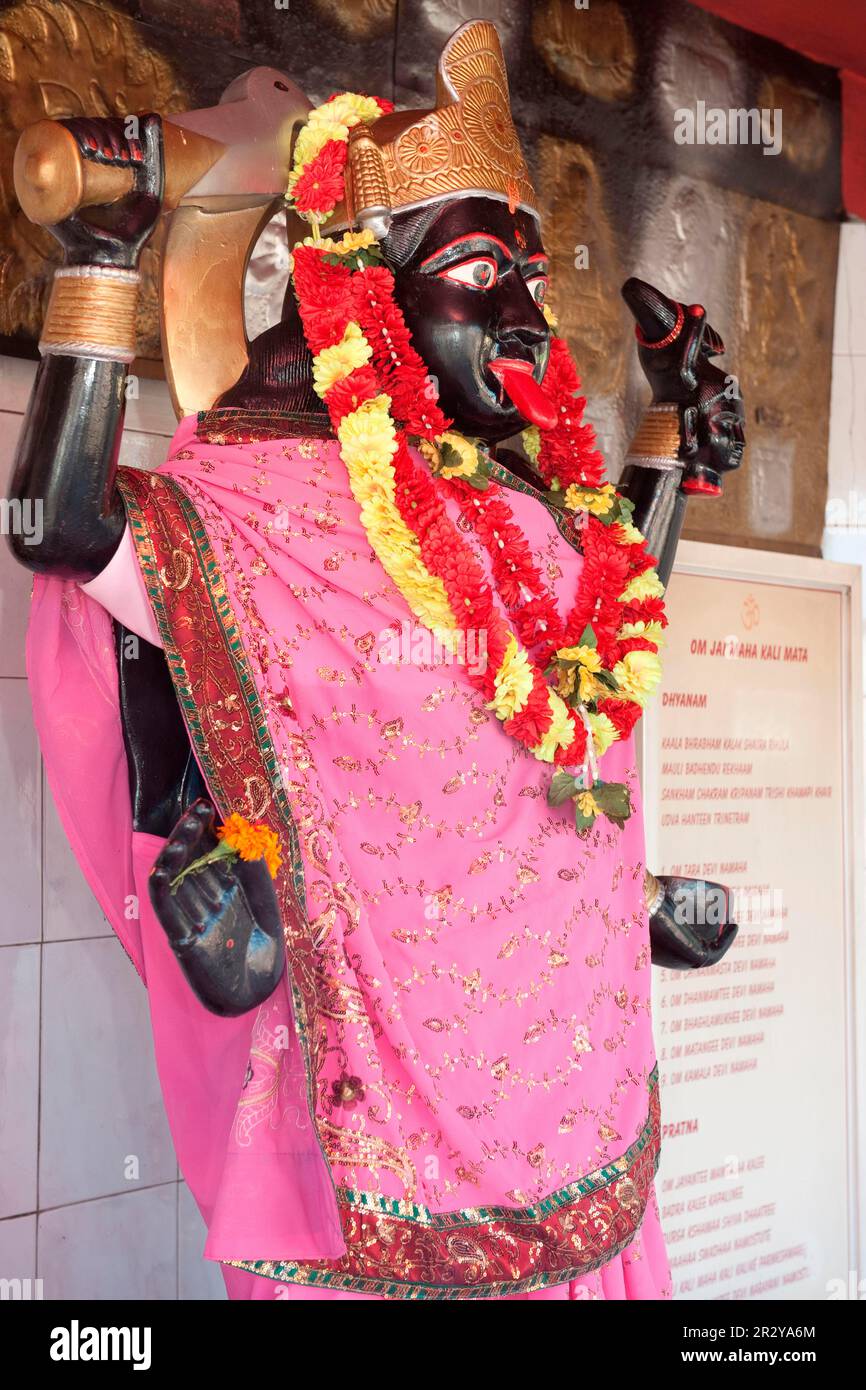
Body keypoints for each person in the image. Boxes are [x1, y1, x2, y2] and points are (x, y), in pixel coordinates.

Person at [8, 20, 742, 1300]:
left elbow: (608, 637)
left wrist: (670, 430)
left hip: (574, 1095)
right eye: (477, 270)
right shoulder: (248, 511)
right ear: (356, 289)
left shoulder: (515, 514)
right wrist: (100, 266)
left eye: (527, 273)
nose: (523, 312)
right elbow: (61, 528)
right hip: (378, 1148)